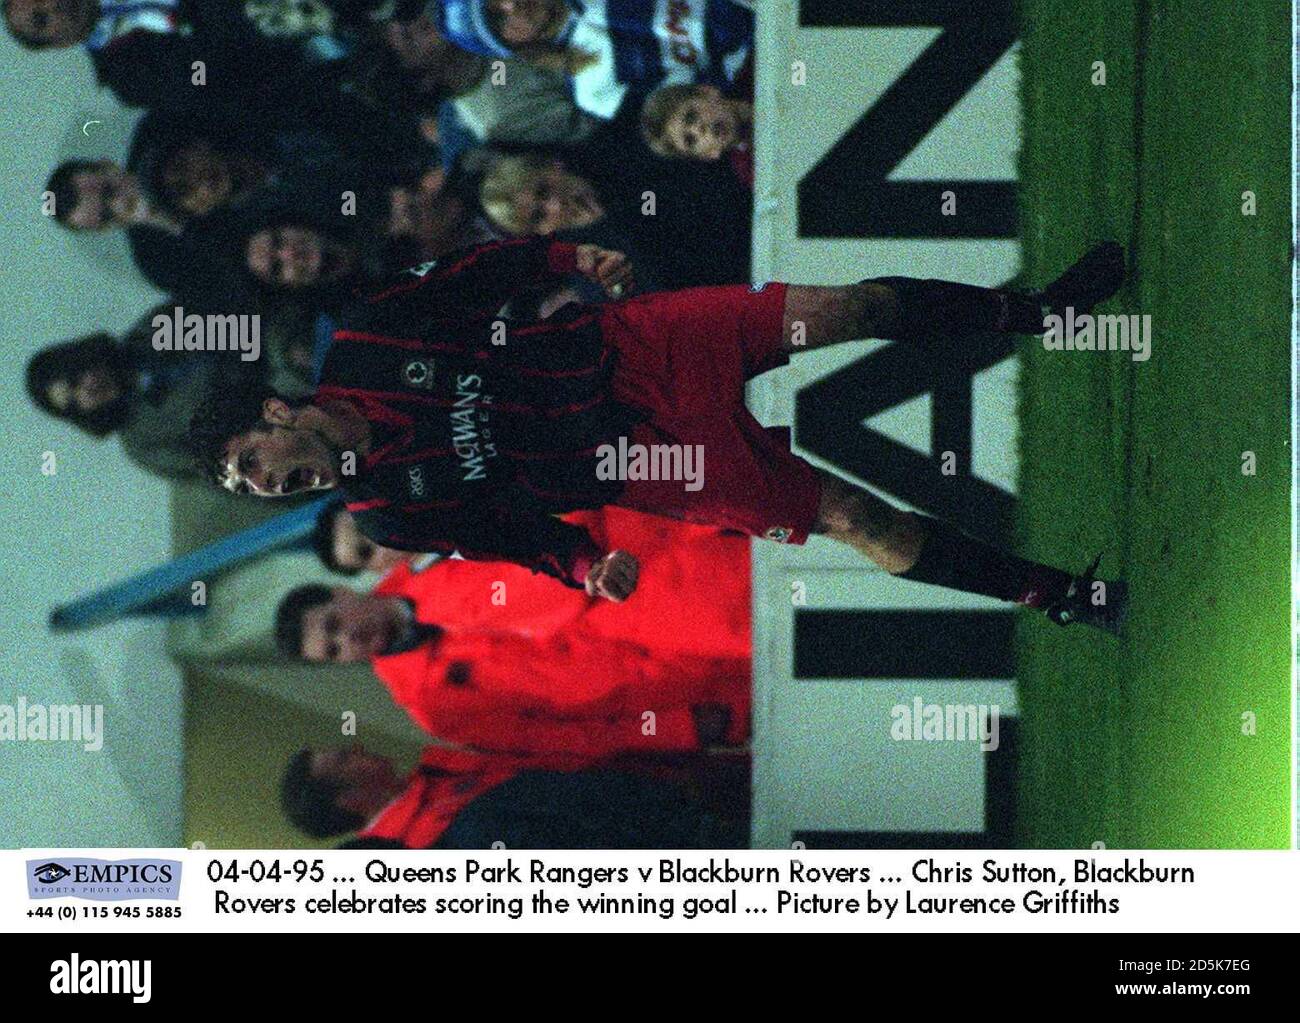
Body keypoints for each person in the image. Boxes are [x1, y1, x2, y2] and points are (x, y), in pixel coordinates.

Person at [190, 235, 1131, 633]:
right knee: (853, 516)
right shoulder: (388, 513)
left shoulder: (368, 340)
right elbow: (510, 535)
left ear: (275, 415)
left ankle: (1041, 312)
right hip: (642, 465)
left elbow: (471, 278)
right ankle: (1056, 592)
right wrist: (582, 568)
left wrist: (566, 258)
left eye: (247, 462)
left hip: (635, 347)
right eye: (245, 489)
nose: (260, 482)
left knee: (853, 307)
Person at [274, 580, 751, 753]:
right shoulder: (433, 707)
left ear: (342, 591)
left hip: (679, 592)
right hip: (675, 689)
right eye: (334, 650)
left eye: (335, 623)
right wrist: (677, 729)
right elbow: (563, 739)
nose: (349, 640)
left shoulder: (430, 559)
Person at [312, 502, 750, 659]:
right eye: (367, 552)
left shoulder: (445, 492)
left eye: (369, 531)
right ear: (373, 573)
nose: (383, 542)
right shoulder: (437, 602)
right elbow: (549, 598)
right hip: (668, 591)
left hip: (666, 512)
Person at [26, 307, 263, 481]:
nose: (86, 391)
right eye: (74, 402)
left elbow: (242, 319)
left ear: (84, 358)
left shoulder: (149, 332)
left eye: (76, 379)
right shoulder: (144, 443)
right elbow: (232, 478)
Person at [435, 0, 753, 120]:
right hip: (754, 75)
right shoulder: (592, 93)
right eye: (497, 18)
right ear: (510, 48)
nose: (510, 4)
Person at [640, 82, 753, 187]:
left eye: (691, 116)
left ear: (707, 92)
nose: (698, 129)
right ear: (708, 155)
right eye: (690, 140)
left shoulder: (759, 68)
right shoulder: (752, 171)